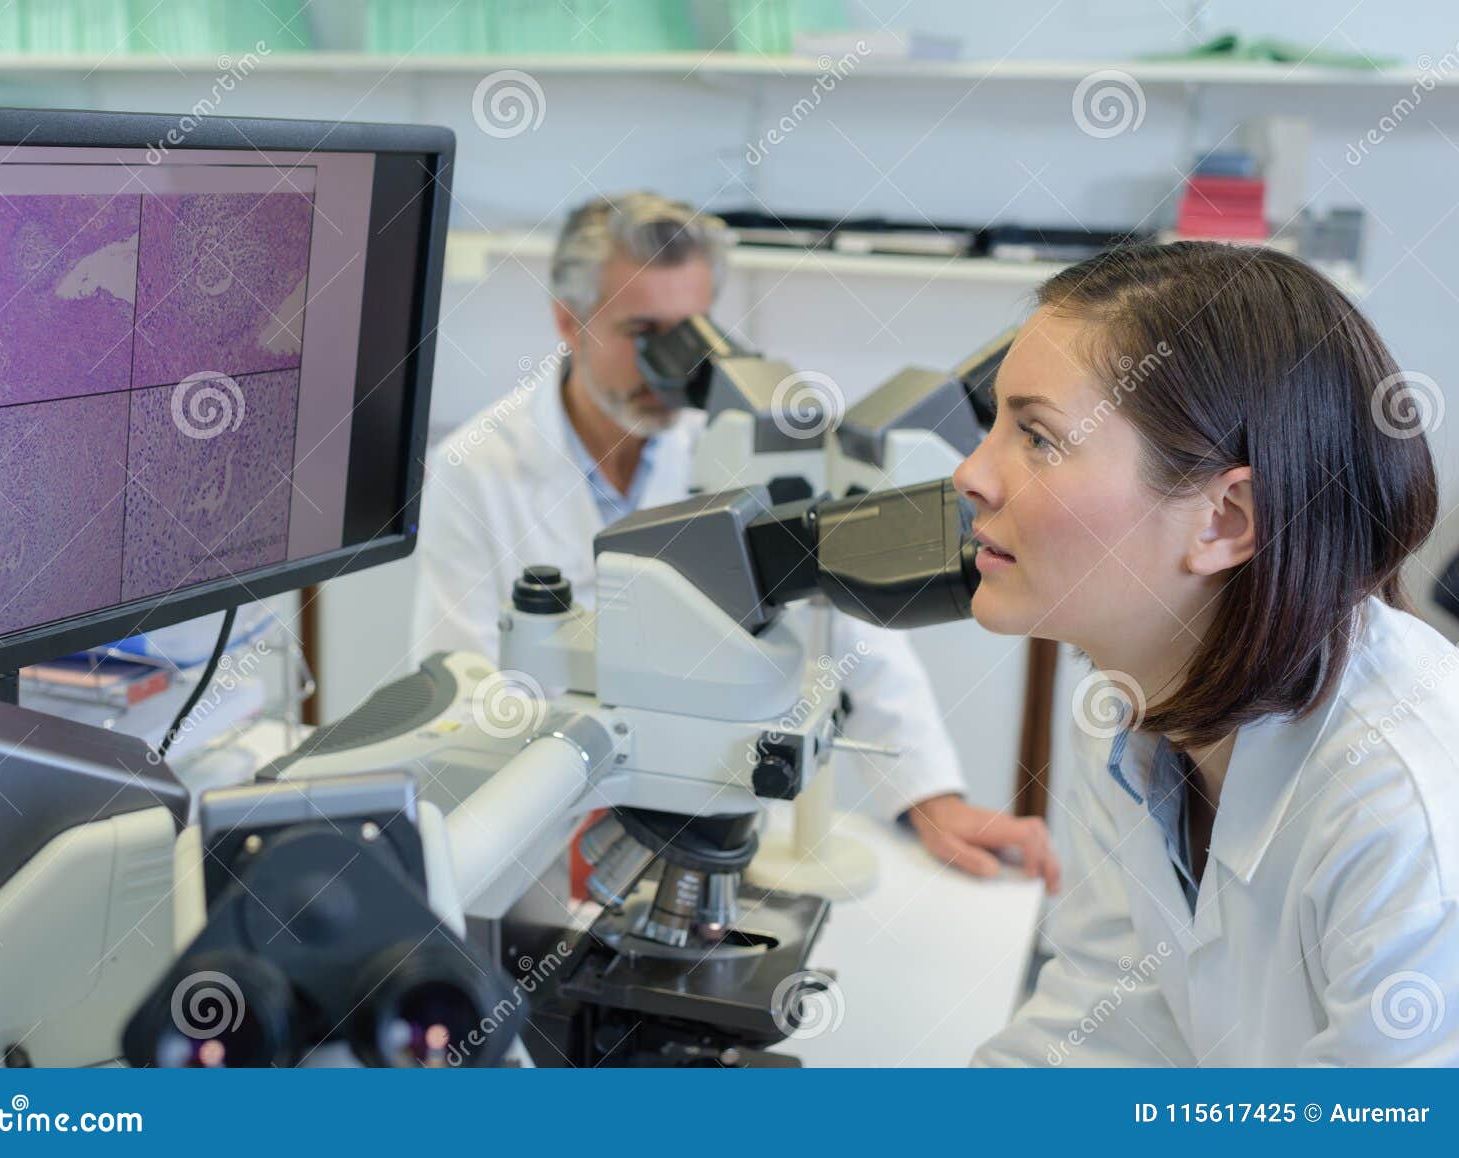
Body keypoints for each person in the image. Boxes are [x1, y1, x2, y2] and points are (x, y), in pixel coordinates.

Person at [410, 192, 1059, 889]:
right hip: (545, 820)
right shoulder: (476, 467)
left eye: (690, 333)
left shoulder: (733, 445)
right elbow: (462, 686)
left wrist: (931, 798)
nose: (669, 369)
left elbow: (849, 626)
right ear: (569, 320)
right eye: (642, 332)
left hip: (716, 804)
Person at [966, 240, 1459, 1065]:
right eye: (994, 427)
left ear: (1225, 520)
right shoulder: (1138, 705)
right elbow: (1102, 1034)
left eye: (1039, 438)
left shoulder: (1403, 807)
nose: (972, 474)